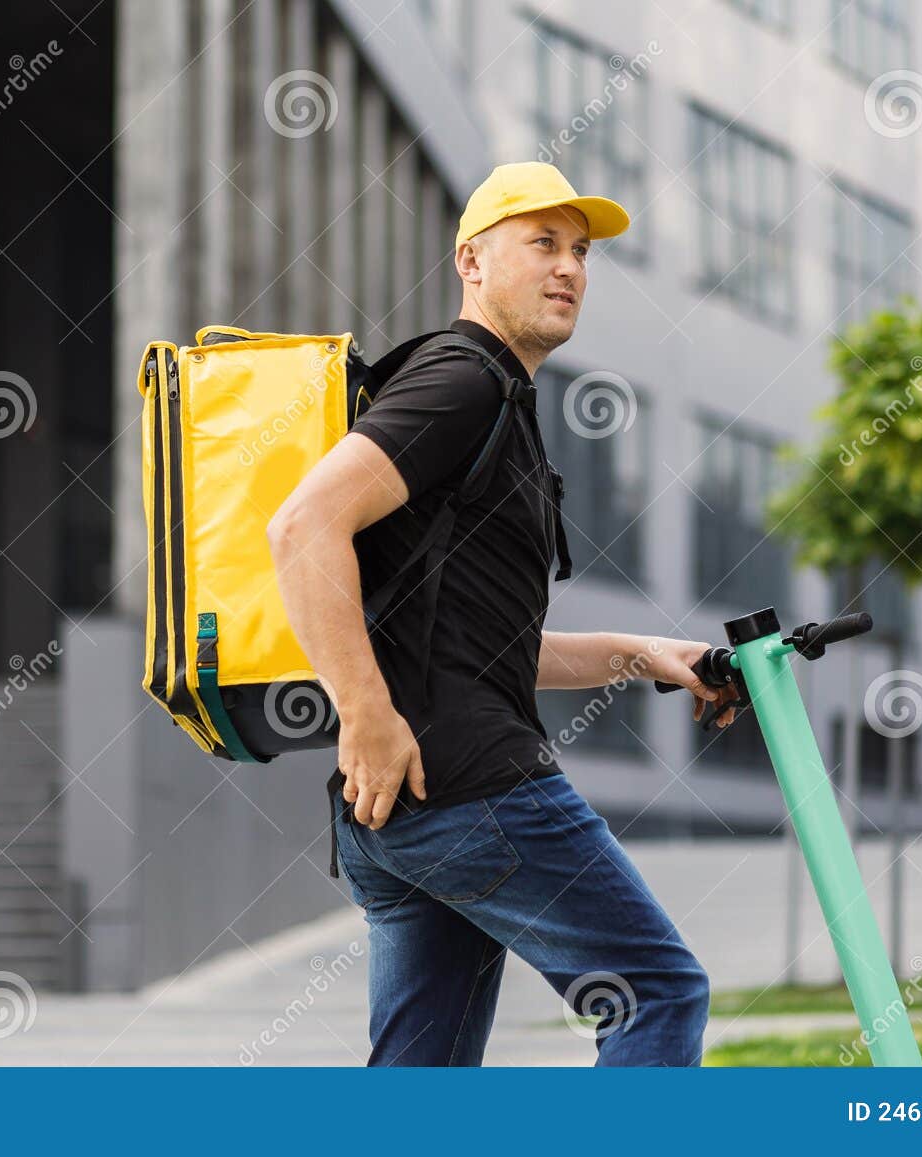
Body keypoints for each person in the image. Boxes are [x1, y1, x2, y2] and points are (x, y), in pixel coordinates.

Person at [266, 161, 739, 1066]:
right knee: (657, 993)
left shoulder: (502, 406)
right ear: (471, 264)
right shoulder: (463, 380)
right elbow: (303, 527)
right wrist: (365, 716)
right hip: (468, 784)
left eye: (580, 251)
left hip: (402, 811)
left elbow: (493, 648)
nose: (568, 268)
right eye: (542, 244)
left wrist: (649, 655)